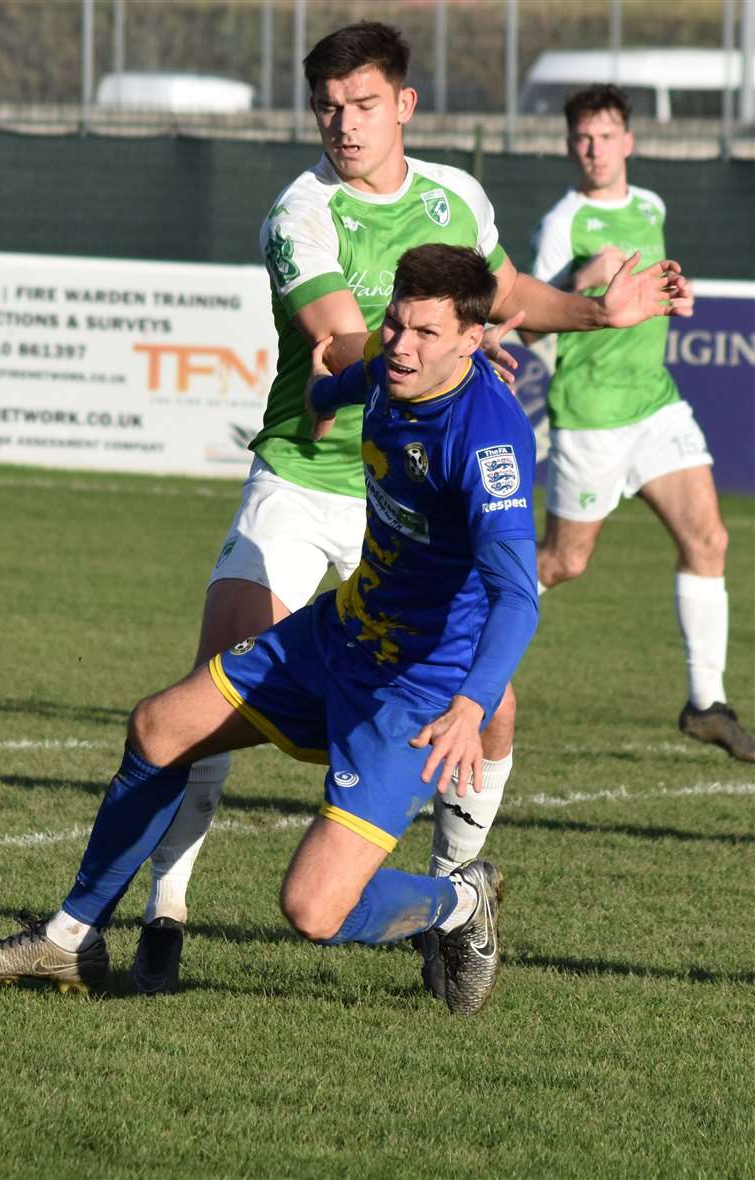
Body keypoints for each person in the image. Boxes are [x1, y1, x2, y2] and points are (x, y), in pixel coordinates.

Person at [126, 22, 694, 997]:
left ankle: (450, 903)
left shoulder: (456, 198)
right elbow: (342, 346)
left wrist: (601, 311)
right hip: (309, 477)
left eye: (362, 105)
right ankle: (163, 921)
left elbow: (509, 293)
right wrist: (425, 357)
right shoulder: (301, 211)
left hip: (413, 497)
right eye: (328, 108)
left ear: (403, 107)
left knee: (495, 698)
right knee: (214, 681)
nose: (344, 126)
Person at [0, 244, 540, 1016]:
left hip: (413, 691)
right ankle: (71, 937)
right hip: (337, 636)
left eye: (425, 332)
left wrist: (471, 704)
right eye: (394, 323)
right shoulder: (395, 374)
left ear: (470, 337)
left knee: (314, 911)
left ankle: (459, 906)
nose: (400, 345)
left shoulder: (486, 441)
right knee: (160, 728)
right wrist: (329, 392)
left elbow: (518, 596)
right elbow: (360, 376)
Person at [528, 84, 753, 762]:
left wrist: (672, 296)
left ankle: (706, 704)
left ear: (628, 141)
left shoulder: (651, 205)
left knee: (709, 538)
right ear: (571, 146)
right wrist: (577, 277)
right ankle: (456, 650)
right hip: (592, 414)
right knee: (564, 562)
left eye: (605, 136)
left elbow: (651, 286)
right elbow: (531, 312)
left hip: (654, 402)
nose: (594, 150)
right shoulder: (561, 222)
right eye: (582, 139)